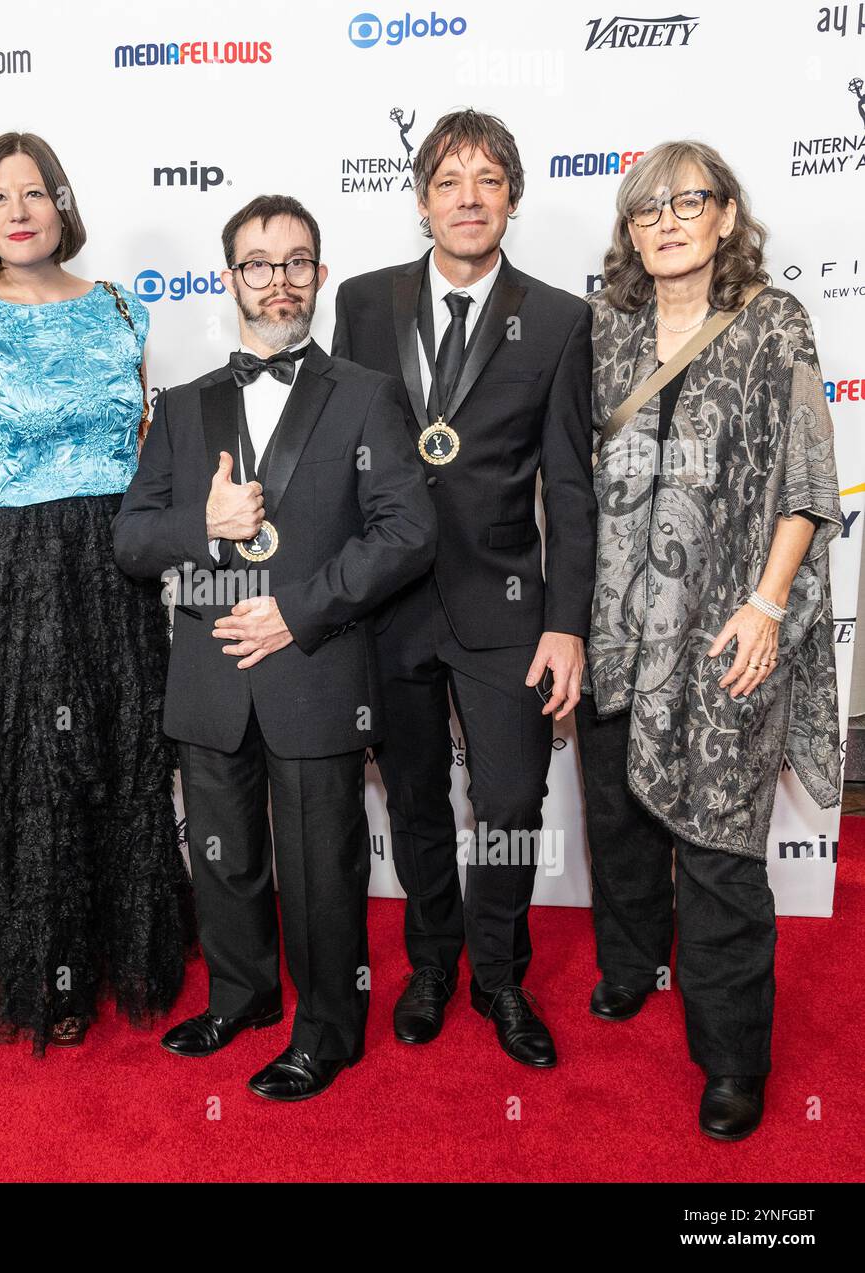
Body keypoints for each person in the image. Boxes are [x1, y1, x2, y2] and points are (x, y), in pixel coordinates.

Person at [114, 195, 437, 1101]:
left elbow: (408, 530)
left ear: (320, 276)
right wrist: (203, 523)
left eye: (298, 262)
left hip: (316, 668)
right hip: (209, 675)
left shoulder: (368, 396)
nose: (280, 279)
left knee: (322, 867)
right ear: (230, 280)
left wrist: (298, 609)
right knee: (222, 855)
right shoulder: (182, 408)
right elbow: (131, 540)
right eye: (258, 263)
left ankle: (328, 1028)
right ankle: (243, 994)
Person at [578, 140, 841, 1141]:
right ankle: (631, 965)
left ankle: (731, 1056)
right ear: (630, 232)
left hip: (727, 624)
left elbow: (806, 483)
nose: (668, 221)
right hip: (614, 628)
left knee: (723, 843)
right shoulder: (602, 328)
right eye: (648, 209)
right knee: (621, 817)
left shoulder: (773, 323)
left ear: (727, 216)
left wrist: (768, 604)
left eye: (690, 201)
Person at [0, 132, 195, 1055]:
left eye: (37, 193)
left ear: (64, 205)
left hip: (112, 572)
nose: (22, 211)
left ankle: (117, 945)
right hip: (8, 572)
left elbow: (143, 450)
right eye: (1, 198)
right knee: (27, 770)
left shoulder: (120, 308)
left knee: (116, 753)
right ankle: (38, 960)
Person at [332, 109, 595, 1067]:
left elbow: (569, 486)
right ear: (422, 200)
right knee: (412, 800)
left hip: (507, 608)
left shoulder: (562, 319)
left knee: (514, 802)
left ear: (513, 199)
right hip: (390, 603)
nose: (469, 198)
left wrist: (567, 624)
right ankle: (433, 964)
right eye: (449, 181)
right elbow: (339, 459)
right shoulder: (362, 302)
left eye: (488, 180)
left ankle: (500, 973)